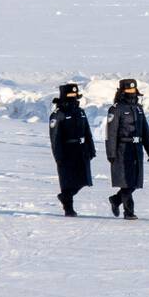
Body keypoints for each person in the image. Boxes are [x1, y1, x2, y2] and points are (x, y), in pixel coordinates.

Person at [105, 78, 149, 220]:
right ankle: (129, 211)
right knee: (126, 181)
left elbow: (145, 130)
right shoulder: (116, 109)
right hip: (122, 148)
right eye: (128, 90)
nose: (131, 93)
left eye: (133, 90)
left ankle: (115, 200)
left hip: (136, 149)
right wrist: (111, 153)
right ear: (122, 91)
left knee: (134, 182)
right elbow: (111, 133)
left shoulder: (138, 108)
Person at [49, 83, 95, 216]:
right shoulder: (58, 115)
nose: (73, 97)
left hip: (81, 149)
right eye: (70, 95)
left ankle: (65, 196)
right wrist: (59, 157)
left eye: (75, 95)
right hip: (67, 151)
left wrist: (91, 147)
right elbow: (55, 138)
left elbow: (87, 131)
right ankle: (68, 207)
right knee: (68, 181)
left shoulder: (80, 112)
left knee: (84, 180)